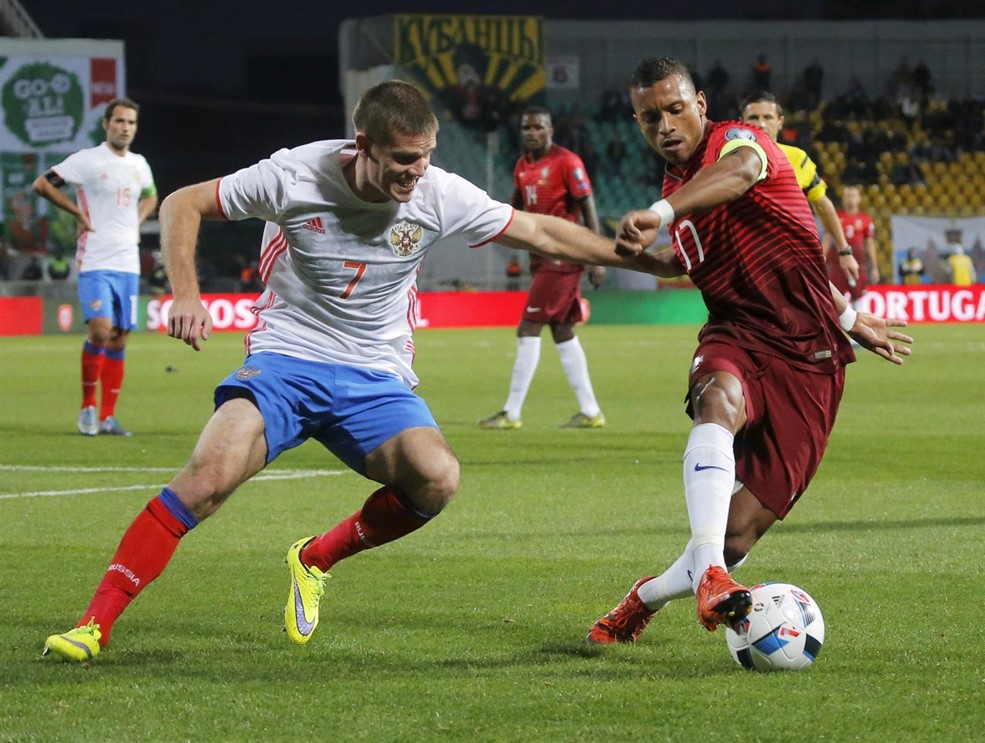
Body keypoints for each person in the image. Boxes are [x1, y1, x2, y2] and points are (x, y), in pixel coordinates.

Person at [41, 80, 636, 663]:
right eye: (403, 160)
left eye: (424, 159)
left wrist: (628, 254)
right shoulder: (295, 176)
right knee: (206, 477)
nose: (416, 173)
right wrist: (187, 294)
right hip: (286, 357)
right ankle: (94, 623)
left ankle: (316, 557)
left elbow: (536, 228)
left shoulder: (437, 192)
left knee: (437, 478)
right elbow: (181, 203)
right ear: (363, 145)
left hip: (374, 369)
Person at [585, 57, 912, 644]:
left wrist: (847, 316)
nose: (664, 125)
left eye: (674, 109)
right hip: (735, 334)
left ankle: (647, 595)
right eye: (648, 117)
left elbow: (743, 177)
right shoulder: (674, 188)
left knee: (735, 538)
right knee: (719, 400)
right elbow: (684, 261)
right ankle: (710, 576)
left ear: (701, 105)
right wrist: (621, 252)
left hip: (809, 360)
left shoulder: (740, 141)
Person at [32, 97, 158, 437]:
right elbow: (43, 184)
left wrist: (139, 218)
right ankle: (87, 407)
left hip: (128, 261)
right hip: (96, 259)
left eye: (131, 123)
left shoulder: (139, 164)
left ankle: (108, 415)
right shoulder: (88, 160)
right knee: (100, 330)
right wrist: (77, 213)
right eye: (119, 121)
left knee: (119, 338)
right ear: (106, 124)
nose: (125, 128)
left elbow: (150, 195)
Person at [479, 106, 607, 430]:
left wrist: (595, 255)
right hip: (541, 256)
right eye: (526, 127)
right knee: (562, 331)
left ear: (551, 131)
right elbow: (516, 206)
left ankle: (512, 412)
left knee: (528, 328)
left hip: (562, 255)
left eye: (538, 127)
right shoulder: (522, 165)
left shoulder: (567, 162)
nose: (531, 132)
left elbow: (587, 204)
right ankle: (591, 411)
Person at [741, 91, 859, 287]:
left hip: (789, 264)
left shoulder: (797, 159)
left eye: (768, 117)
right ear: (741, 122)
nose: (760, 124)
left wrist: (844, 251)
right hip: (743, 263)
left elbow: (823, 206)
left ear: (780, 121)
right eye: (753, 117)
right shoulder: (727, 160)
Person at [823, 185, 880, 311]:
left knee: (857, 296)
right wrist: (822, 257)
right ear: (843, 199)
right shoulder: (836, 217)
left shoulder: (865, 219)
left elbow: (870, 243)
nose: (850, 199)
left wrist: (875, 267)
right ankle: (836, 324)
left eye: (853, 195)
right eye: (847, 196)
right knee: (836, 295)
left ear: (859, 199)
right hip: (838, 261)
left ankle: (858, 323)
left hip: (858, 261)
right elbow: (828, 237)